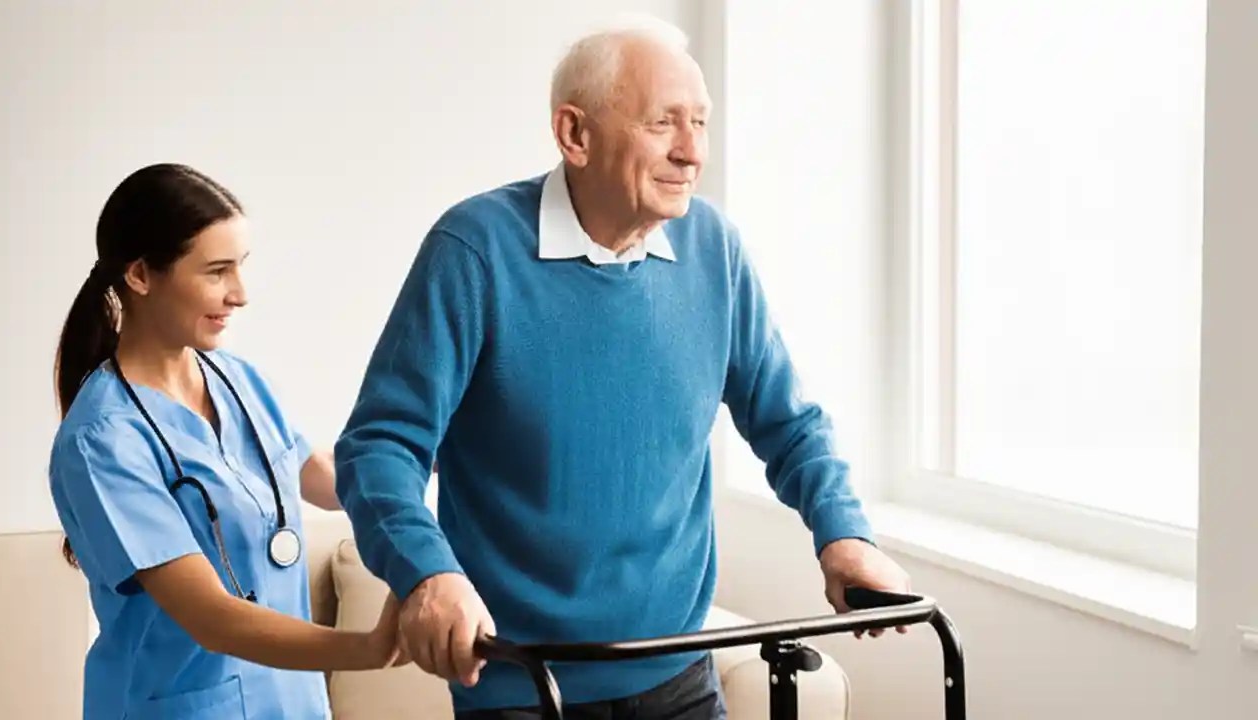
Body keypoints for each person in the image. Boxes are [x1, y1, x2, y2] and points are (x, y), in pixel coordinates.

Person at [334, 18, 911, 719]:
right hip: (521, 682)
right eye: (664, 122)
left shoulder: (714, 250)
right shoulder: (474, 249)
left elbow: (789, 423)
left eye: (699, 122)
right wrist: (427, 572)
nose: (693, 151)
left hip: (675, 670)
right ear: (574, 135)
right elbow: (380, 447)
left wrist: (844, 536)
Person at [48, 163, 407, 720]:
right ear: (140, 275)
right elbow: (211, 618)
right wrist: (370, 648)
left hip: (291, 704)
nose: (240, 294)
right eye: (216, 272)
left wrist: (431, 450)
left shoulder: (239, 379)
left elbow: (324, 479)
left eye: (240, 267)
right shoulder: (102, 440)